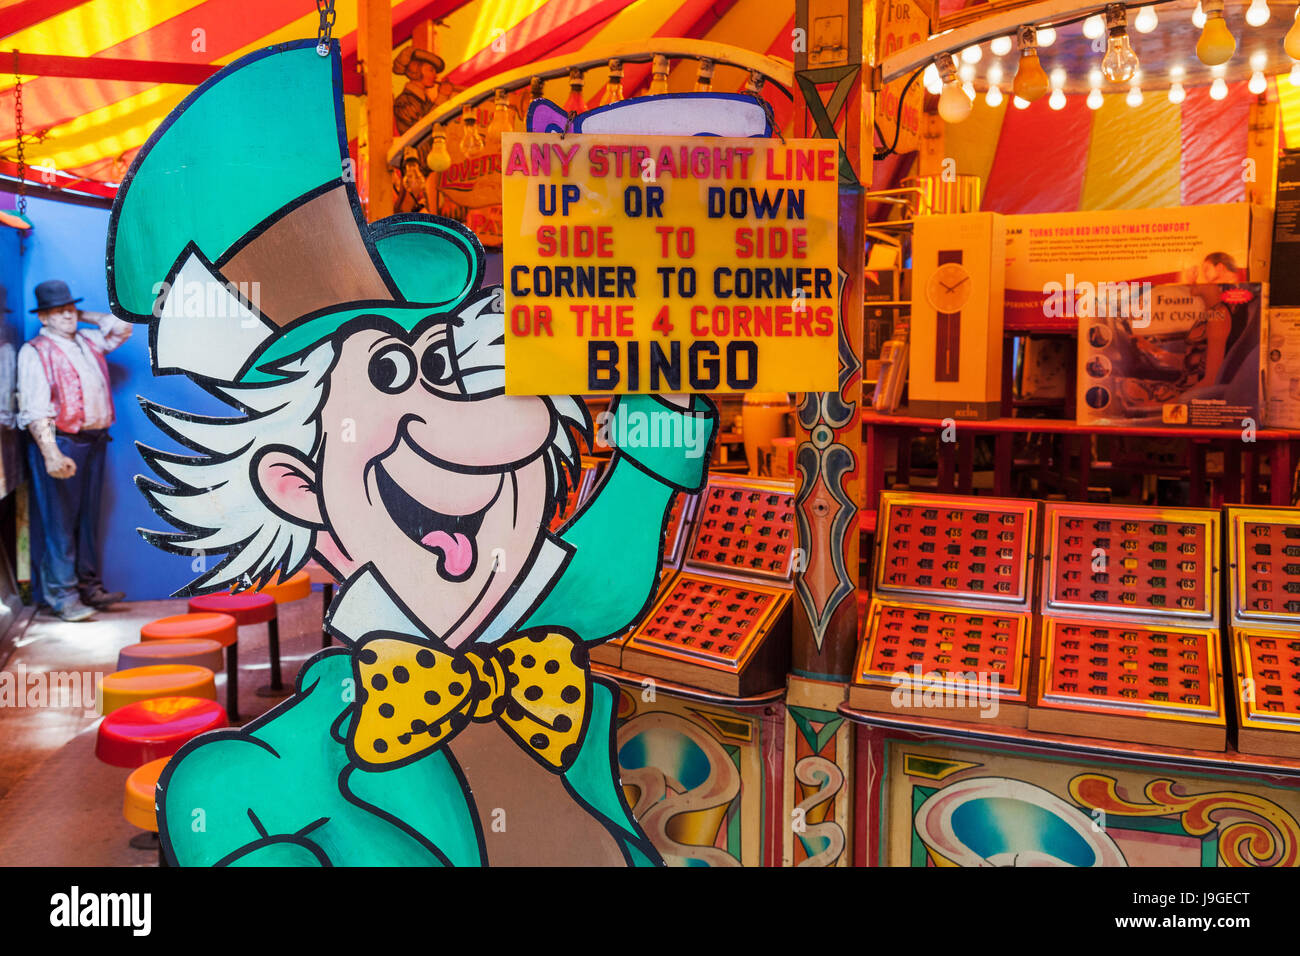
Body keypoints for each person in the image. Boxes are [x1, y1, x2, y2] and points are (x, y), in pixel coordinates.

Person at [17, 279, 130, 621]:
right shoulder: (35, 351)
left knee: (86, 520)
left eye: (69, 308)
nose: (66, 315)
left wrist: (82, 315)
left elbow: (122, 327)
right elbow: (36, 409)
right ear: (43, 317)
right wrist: (51, 452)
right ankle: (63, 596)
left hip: (94, 442)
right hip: (63, 443)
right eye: (58, 310)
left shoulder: (87, 339)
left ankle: (88, 588)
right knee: (59, 522)